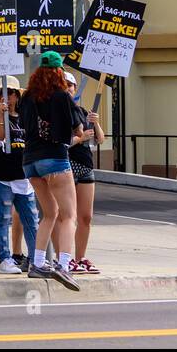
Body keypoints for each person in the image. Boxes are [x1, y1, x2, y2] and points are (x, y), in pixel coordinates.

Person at [18, 51, 81, 291]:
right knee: (68, 215)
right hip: (54, 159)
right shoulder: (61, 96)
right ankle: (63, 265)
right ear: (58, 72)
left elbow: (23, 124)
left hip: (30, 161)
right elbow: (76, 128)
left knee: (49, 214)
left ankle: (37, 263)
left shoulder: (27, 98)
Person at [0, 77, 38, 274]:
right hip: (0, 177)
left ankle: (36, 259)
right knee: (3, 218)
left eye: (11, 93)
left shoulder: (25, 116)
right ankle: (5, 259)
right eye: (2, 94)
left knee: (31, 219)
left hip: (23, 178)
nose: (7, 97)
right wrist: (1, 117)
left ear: (17, 96)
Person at [65, 70, 104, 275]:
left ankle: (80, 257)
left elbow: (100, 139)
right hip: (67, 166)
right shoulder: (58, 113)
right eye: (64, 85)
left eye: (70, 85)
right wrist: (80, 138)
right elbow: (60, 143)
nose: (68, 88)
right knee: (67, 216)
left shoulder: (82, 111)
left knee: (85, 216)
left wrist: (96, 123)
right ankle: (66, 257)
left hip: (85, 166)